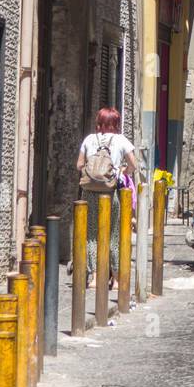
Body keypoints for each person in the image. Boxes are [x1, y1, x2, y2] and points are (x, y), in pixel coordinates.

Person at [76, 108, 136, 287]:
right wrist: (121, 172)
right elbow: (133, 165)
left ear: (99, 122)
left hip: (89, 193)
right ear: (116, 123)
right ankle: (116, 279)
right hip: (111, 192)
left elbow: (79, 165)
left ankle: (95, 277)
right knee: (114, 234)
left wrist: (92, 174)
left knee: (92, 235)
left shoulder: (89, 139)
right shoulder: (121, 140)